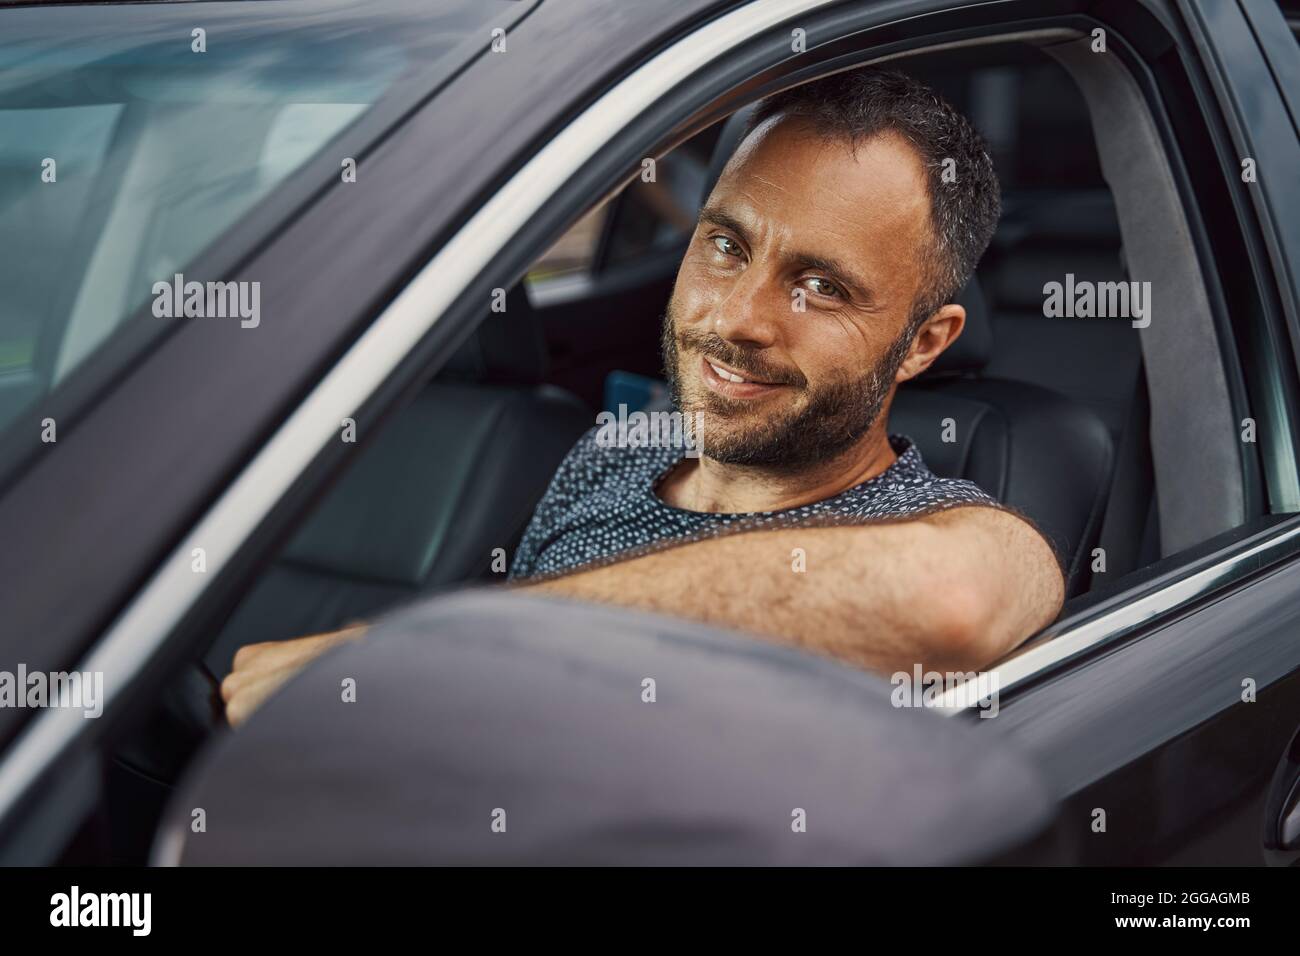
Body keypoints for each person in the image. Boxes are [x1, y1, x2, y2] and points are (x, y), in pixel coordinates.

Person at [221, 68, 1064, 728]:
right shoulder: (617, 448)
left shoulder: (925, 522)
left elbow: (953, 604)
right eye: (726, 246)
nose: (737, 320)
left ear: (923, 342)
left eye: (820, 285)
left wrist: (403, 657)